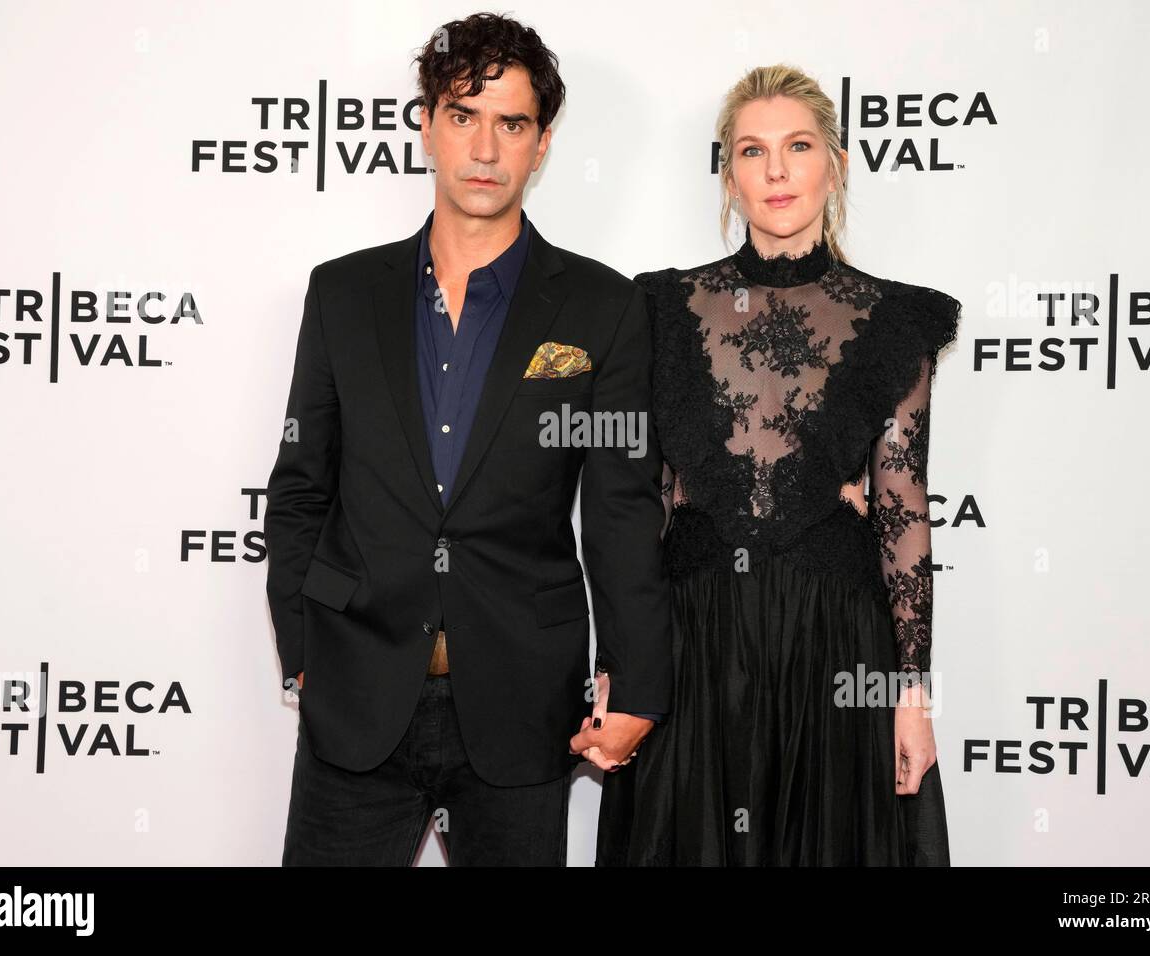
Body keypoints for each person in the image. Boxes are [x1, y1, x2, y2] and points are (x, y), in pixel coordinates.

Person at [265, 12, 670, 866]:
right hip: (356, 691)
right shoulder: (342, 293)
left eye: (511, 123)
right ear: (426, 126)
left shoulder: (602, 307)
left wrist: (634, 680)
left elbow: (622, 512)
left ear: (542, 144)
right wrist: (303, 646)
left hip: (522, 700)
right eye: (463, 115)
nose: (485, 148)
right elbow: (304, 482)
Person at [596, 64, 957, 865]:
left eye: (797, 146)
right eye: (752, 151)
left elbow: (900, 507)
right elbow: (641, 505)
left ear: (835, 162)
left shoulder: (894, 320)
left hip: (834, 645)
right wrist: (619, 662)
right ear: (730, 175)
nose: (778, 170)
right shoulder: (658, 307)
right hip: (694, 642)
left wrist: (911, 695)